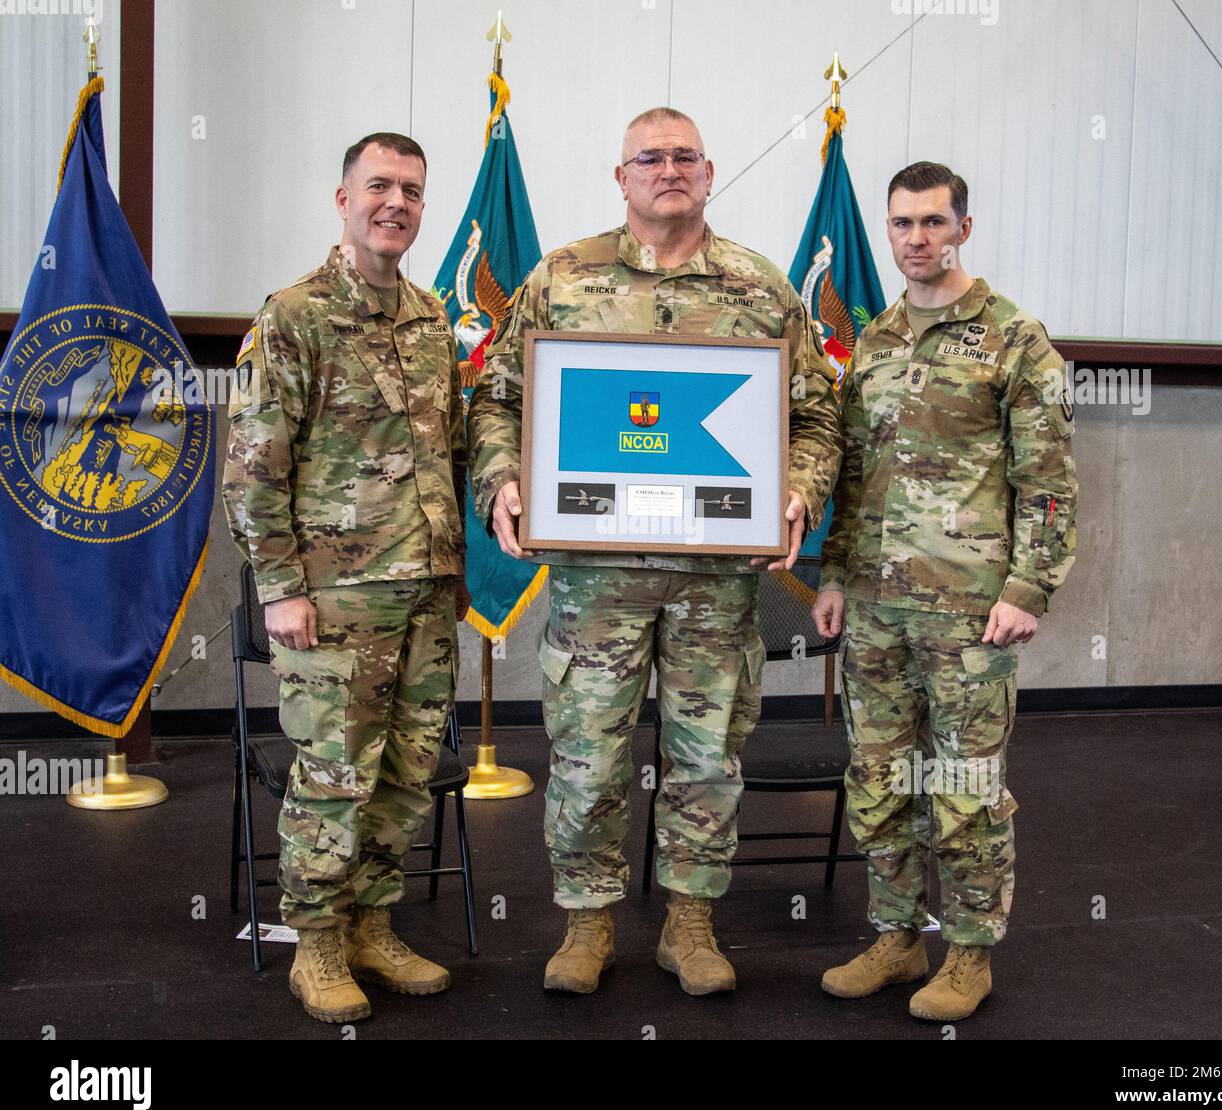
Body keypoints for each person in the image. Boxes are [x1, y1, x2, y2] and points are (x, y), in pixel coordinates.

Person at [467, 107, 841, 996]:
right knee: (588, 755)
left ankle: (690, 923)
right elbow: (496, 401)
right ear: (621, 176)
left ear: (708, 174)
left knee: (707, 757)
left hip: (718, 580)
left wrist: (797, 489)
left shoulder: (761, 289)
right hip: (597, 579)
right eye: (650, 158)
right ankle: (586, 923)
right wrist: (501, 480)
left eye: (684, 157)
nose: (668, 170)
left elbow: (818, 414)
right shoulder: (561, 279)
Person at [813, 161, 1077, 1021]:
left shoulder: (1015, 340)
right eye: (902, 223)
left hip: (971, 615)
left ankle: (968, 954)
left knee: (965, 787)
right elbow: (854, 477)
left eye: (933, 222)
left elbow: (1049, 483)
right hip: (876, 609)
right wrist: (835, 573)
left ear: (963, 227)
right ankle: (896, 938)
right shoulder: (876, 342)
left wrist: (1028, 588)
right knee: (879, 779)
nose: (916, 238)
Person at [223, 132, 470, 1024]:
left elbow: (449, 450)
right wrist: (280, 586)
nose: (395, 202)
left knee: (406, 772)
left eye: (411, 189)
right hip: (334, 598)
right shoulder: (293, 315)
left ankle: (372, 924)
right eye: (378, 186)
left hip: (428, 591)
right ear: (343, 199)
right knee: (334, 773)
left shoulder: (432, 319)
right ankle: (318, 942)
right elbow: (253, 466)